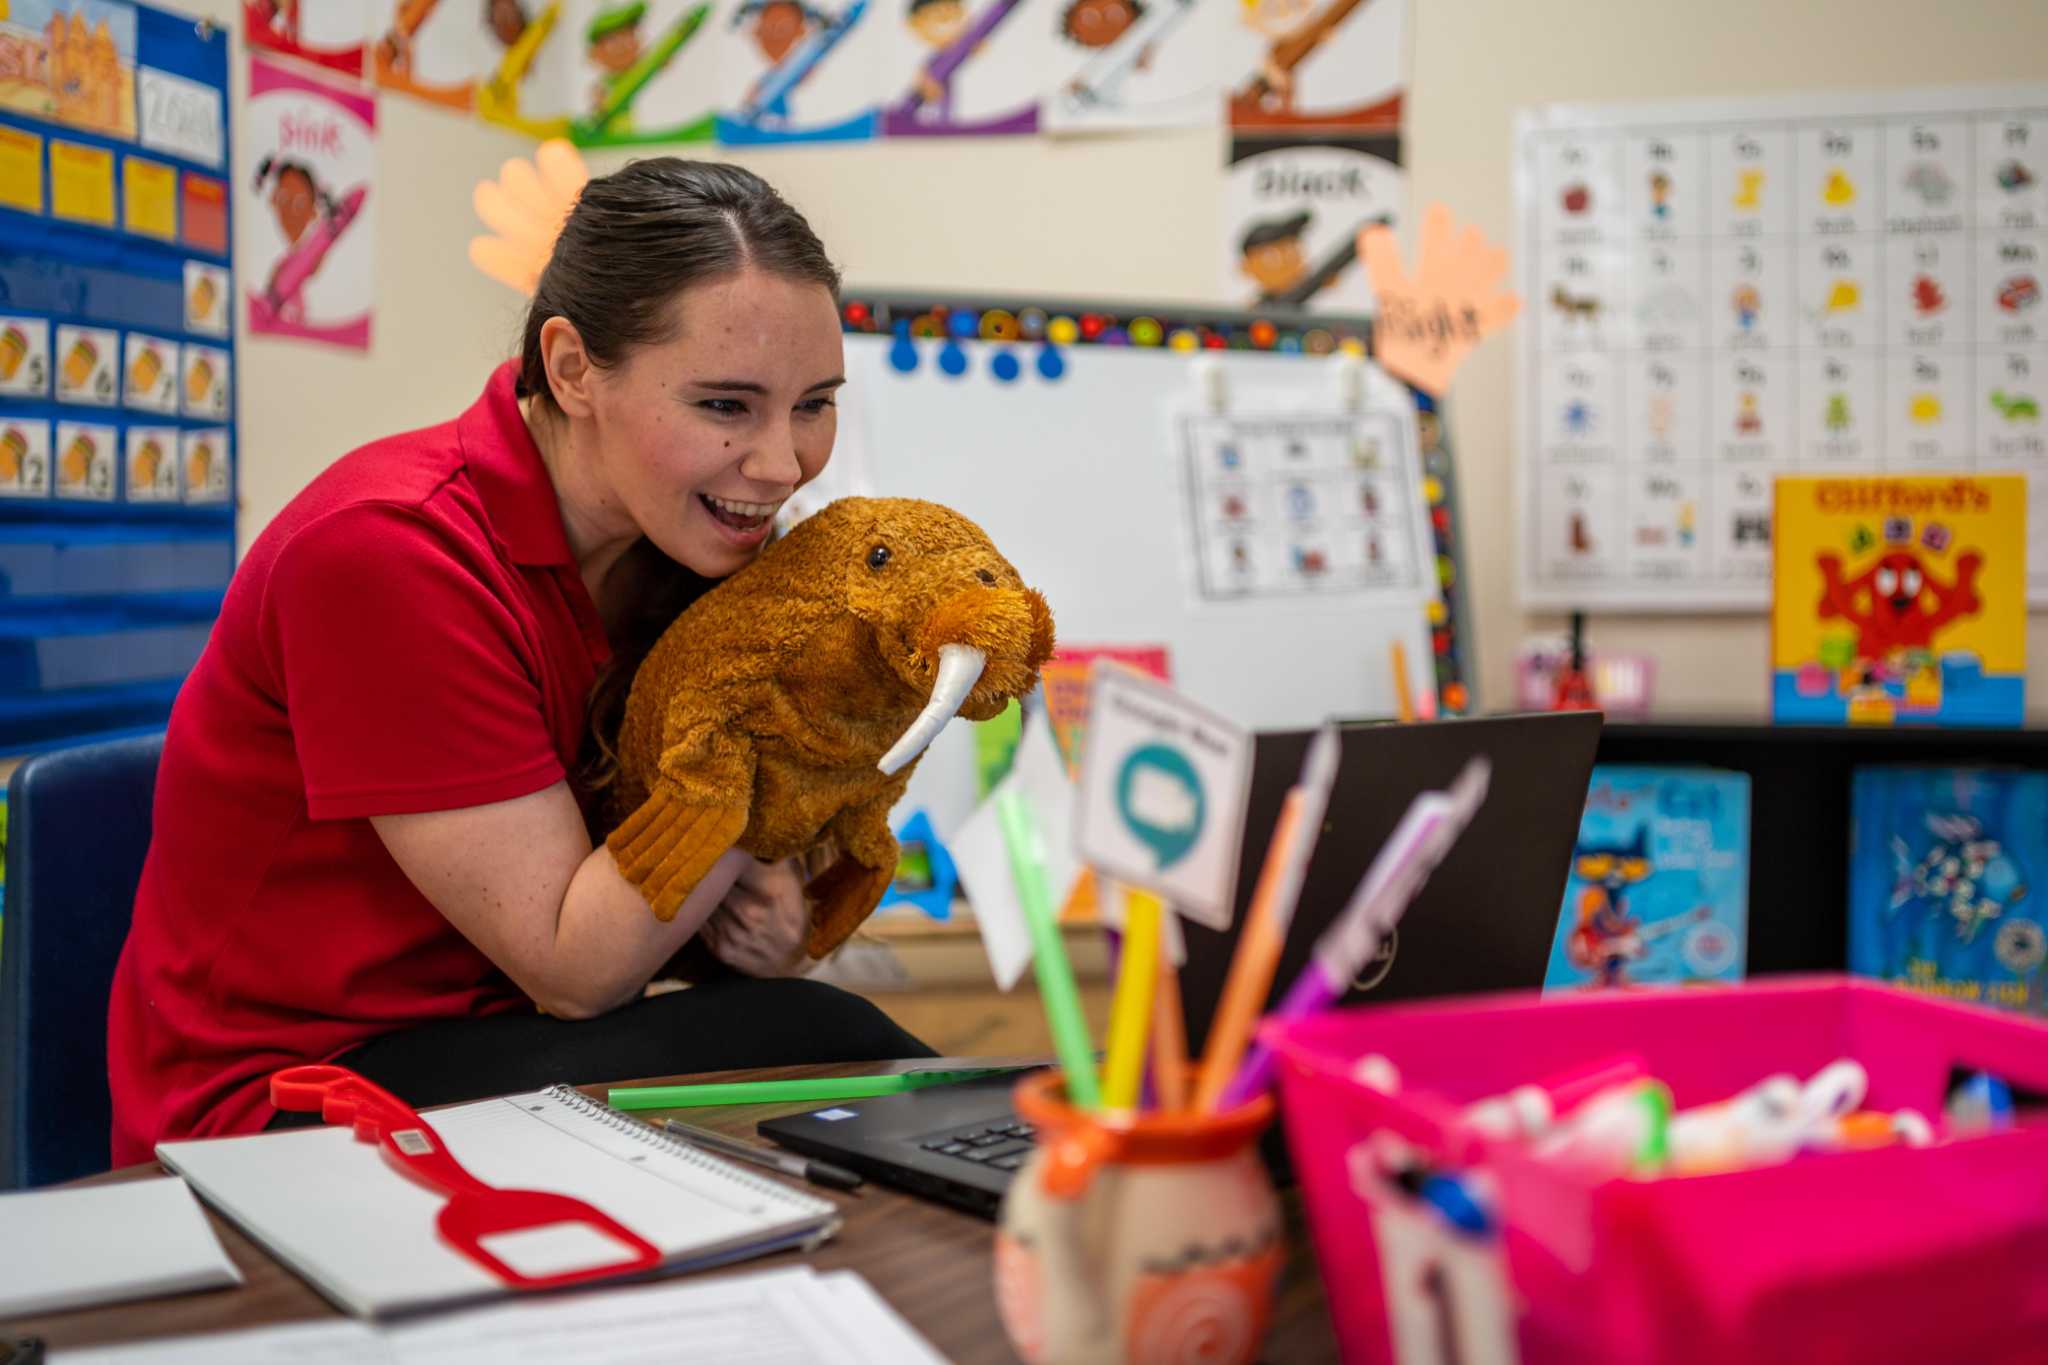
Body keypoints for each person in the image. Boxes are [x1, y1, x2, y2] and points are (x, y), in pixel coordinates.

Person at [106, 159, 933, 1166]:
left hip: (499, 1041)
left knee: (813, 1051)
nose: (780, 463)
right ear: (575, 367)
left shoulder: (682, 547)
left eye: (813, 404)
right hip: (282, 1104)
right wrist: (773, 725)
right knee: (828, 1041)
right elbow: (575, 969)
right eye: (726, 406)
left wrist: (764, 912)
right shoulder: (388, 549)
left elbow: (689, 888)